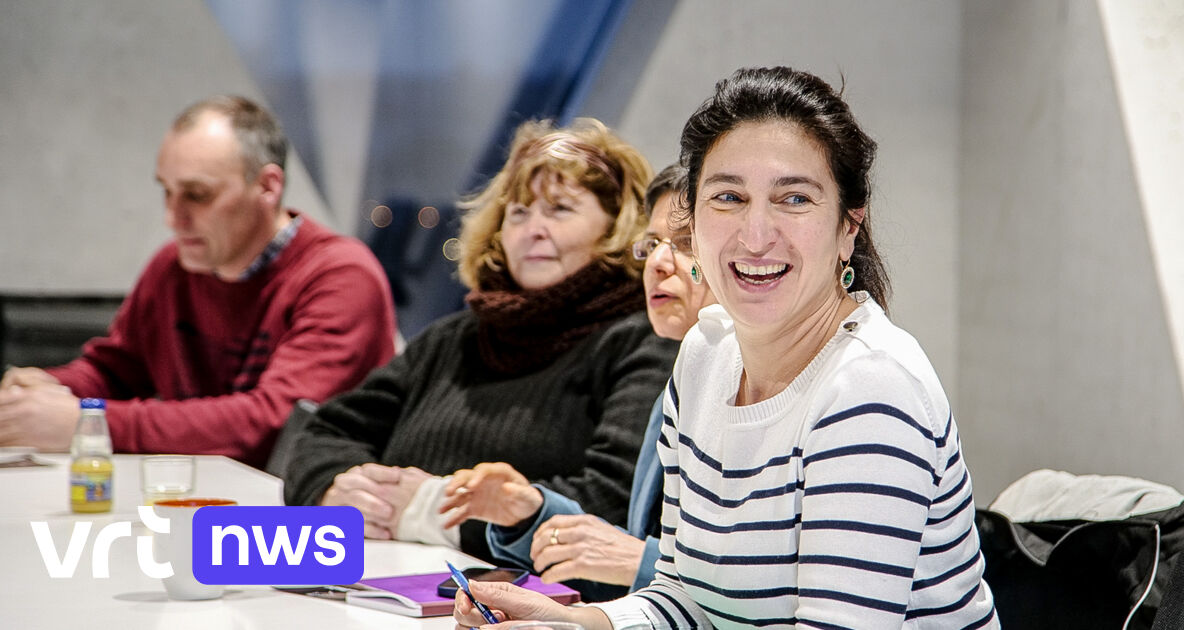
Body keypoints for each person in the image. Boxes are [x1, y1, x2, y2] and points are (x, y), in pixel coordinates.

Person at [453, 67, 999, 629]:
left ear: (848, 228)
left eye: (794, 198)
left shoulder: (870, 388)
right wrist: (579, 623)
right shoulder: (704, 354)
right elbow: (686, 599)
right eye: (729, 197)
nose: (756, 234)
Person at [282, 118, 678, 564]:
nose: (533, 229)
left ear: (617, 230)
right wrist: (337, 486)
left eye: (560, 210)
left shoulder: (644, 339)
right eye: (519, 212)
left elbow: (613, 502)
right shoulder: (455, 337)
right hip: (382, 581)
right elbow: (325, 432)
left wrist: (426, 510)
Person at [0, 96, 396, 468]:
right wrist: (43, 391)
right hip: (202, 499)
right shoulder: (174, 268)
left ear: (268, 187)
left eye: (197, 195)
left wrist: (88, 423)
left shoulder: (341, 276)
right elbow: (113, 371)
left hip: (304, 525)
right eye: (168, 192)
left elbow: (274, 423)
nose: (173, 218)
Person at [439, 163, 714, 601]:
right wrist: (531, 513)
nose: (659, 263)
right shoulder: (685, 380)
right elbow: (620, 561)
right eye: (653, 244)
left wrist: (641, 563)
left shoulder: (777, 382)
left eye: (685, 244)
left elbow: (773, 592)